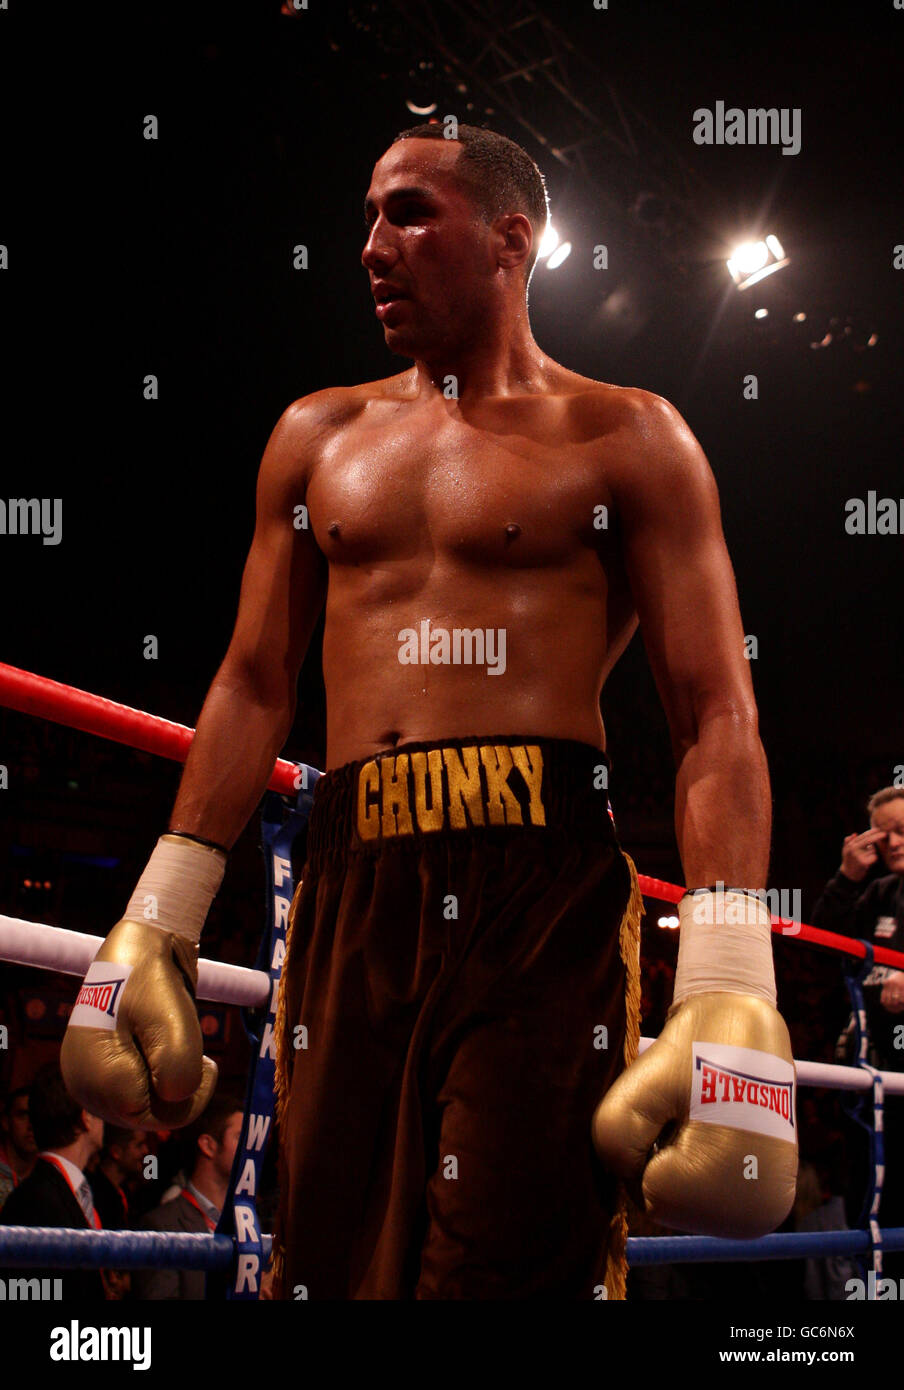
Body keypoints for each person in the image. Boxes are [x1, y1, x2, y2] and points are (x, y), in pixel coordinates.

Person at [61, 123, 797, 1299]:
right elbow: (256, 680)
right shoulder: (317, 436)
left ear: (514, 240)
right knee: (329, 1256)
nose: (370, 248)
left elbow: (717, 711)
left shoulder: (629, 436)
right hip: (350, 881)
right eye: (366, 217)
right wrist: (158, 915)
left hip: (536, 885)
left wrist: (728, 977)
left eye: (408, 214)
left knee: (511, 1259)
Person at [812, 785, 904, 1257]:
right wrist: (847, 877)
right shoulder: (879, 893)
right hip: (870, 1078)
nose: (894, 843)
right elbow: (823, 947)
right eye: (884, 835)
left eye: (903, 831)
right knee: (869, 1219)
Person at [0, 1064, 106, 1300]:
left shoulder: (65, 1190)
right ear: (85, 1118)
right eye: (98, 1109)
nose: (105, 1118)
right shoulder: (34, 1201)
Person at [130, 1095, 244, 1300]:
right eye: (239, 1137)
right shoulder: (162, 1226)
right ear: (208, 1145)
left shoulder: (250, 1220)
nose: (250, 1148)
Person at [89, 1125, 149, 1230]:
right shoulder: (95, 1197)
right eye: (139, 1145)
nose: (146, 1151)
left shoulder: (125, 1193)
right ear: (116, 1152)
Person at [0, 1085, 38, 1211]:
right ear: (5, 1122)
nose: (31, 1125)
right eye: (23, 1115)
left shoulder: (48, 1178)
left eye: (37, 1117)